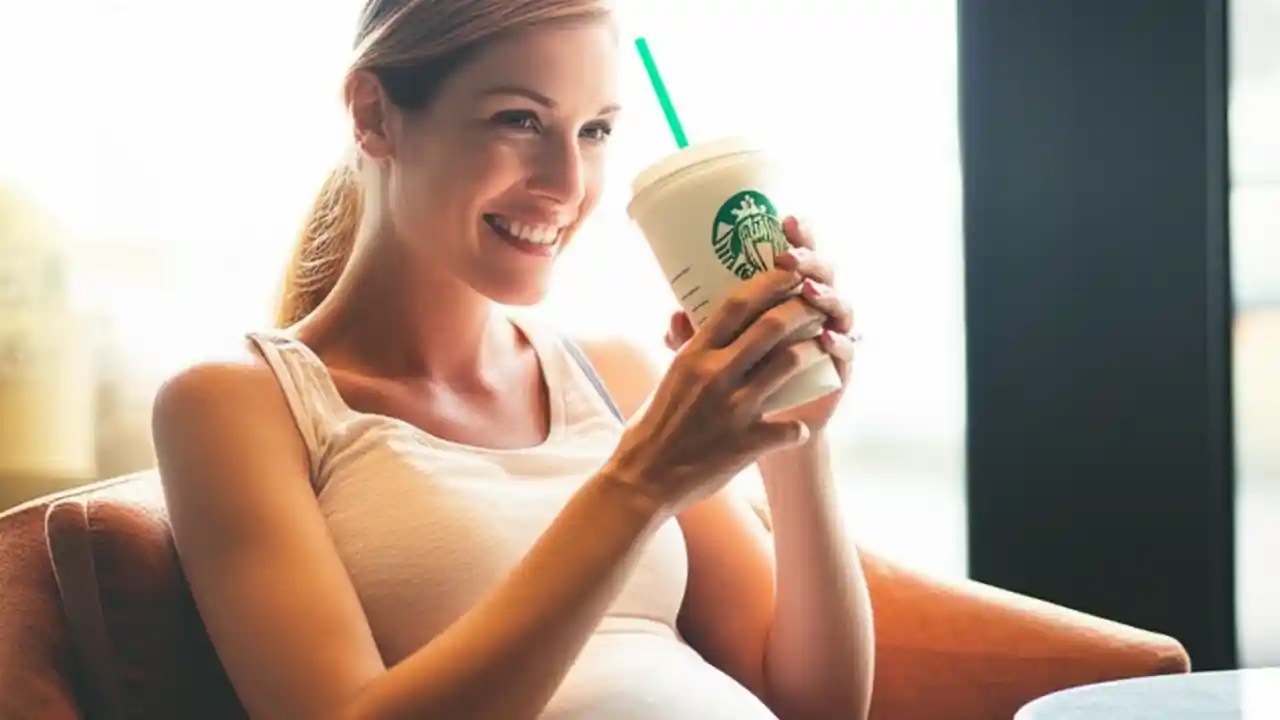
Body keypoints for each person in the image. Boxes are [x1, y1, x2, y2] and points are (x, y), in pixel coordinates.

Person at [150, 1, 873, 718]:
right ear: (373, 114)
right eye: (519, 120)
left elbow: (816, 706)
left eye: (594, 131)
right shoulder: (237, 404)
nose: (567, 185)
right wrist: (639, 485)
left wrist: (797, 440)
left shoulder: (613, 375)